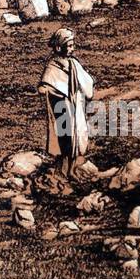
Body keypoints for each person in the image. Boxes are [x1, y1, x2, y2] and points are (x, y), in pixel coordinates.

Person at [38, 27, 95, 177]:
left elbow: (87, 81)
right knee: (64, 136)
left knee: (76, 134)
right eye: (68, 46)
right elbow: (45, 83)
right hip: (60, 105)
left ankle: (73, 166)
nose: (71, 49)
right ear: (58, 47)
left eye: (72, 45)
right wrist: (46, 88)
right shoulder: (53, 65)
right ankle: (64, 168)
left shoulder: (74, 64)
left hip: (74, 105)